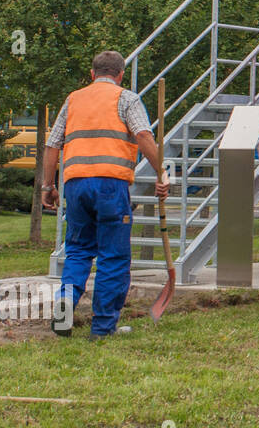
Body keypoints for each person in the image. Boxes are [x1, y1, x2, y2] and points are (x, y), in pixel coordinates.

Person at [40, 50, 170, 338]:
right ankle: (102, 328)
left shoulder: (73, 99)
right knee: (113, 256)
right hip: (111, 186)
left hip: (75, 185)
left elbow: (52, 145)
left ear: (92, 74)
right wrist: (161, 172)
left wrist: (48, 186)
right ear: (120, 74)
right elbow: (143, 135)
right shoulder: (127, 99)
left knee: (77, 251)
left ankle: (64, 311)